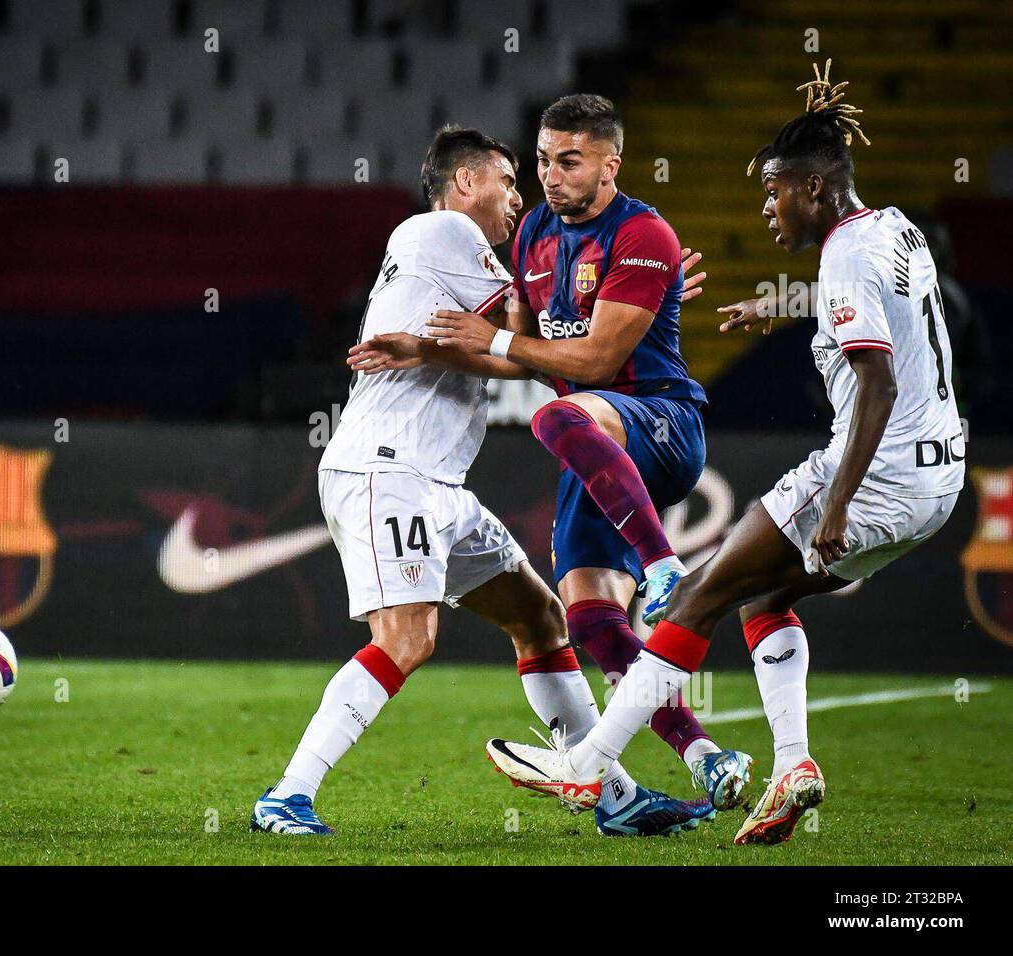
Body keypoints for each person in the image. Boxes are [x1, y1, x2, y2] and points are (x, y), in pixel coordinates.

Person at [489, 62, 965, 846]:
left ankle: (590, 760)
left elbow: (876, 382)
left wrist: (838, 503)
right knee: (761, 598)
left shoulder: (840, 255)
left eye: (776, 191)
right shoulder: (893, 229)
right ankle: (794, 765)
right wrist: (777, 302)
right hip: (937, 481)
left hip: (873, 473)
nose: (767, 206)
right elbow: (882, 303)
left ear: (814, 188)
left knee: (693, 600)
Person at [251, 126, 716, 837]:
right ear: (465, 183)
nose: (518, 197)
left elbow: (530, 344)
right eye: (508, 180)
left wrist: (632, 296)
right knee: (408, 638)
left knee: (539, 618)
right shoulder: (437, 229)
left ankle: (614, 796)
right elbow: (544, 333)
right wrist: (638, 291)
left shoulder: (448, 254)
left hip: (436, 484)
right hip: (388, 469)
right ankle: (288, 795)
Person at [358, 95, 753, 811]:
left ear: (611, 164)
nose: (549, 176)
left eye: (568, 161)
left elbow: (596, 362)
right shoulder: (536, 231)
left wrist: (505, 341)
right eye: (542, 160)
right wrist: (423, 348)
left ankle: (666, 570)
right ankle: (705, 757)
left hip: (658, 421)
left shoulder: (641, 233)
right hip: (592, 443)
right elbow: (521, 357)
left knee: (559, 417)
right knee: (591, 622)